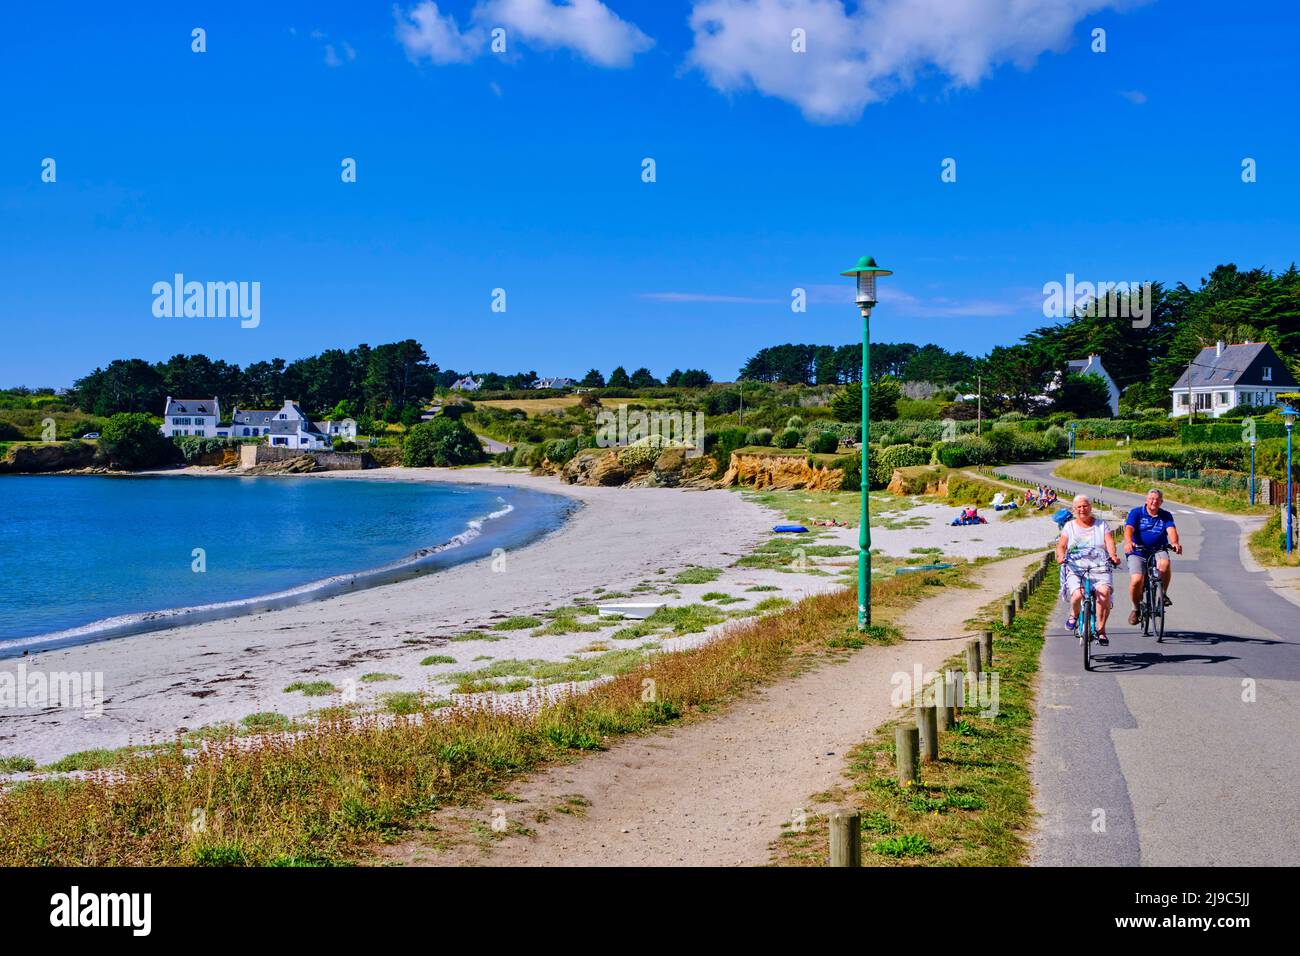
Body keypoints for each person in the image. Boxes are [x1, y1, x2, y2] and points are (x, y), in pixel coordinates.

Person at [1056, 494, 1121, 644]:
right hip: (1076, 567)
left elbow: (1109, 541)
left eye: (1085, 506)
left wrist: (1113, 555)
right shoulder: (1069, 526)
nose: (1082, 509)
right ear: (1074, 510)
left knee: (1103, 593)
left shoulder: (1101, 525)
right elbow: (1061, 545)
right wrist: (1060, 556)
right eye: (1079, 507)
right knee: (1078, 595)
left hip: (1100, 567)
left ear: (1090, 507)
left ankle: (1101, 630)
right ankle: (1074, 614)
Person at [1124, 488, 1182, 626]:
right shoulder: (1136, 512)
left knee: (1165, 563)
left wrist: (1174, 543)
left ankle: (1163, 594)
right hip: (1137, 550)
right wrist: (1128, 542)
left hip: (1158, 549)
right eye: (1151, 498)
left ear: (1161, 502)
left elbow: (1171, 530)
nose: (1154, 501)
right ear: (1146, 500)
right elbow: (1129, 529)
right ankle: (1135, 609)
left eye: (1157, 499)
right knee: (1137, 579)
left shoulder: (1165, 515)